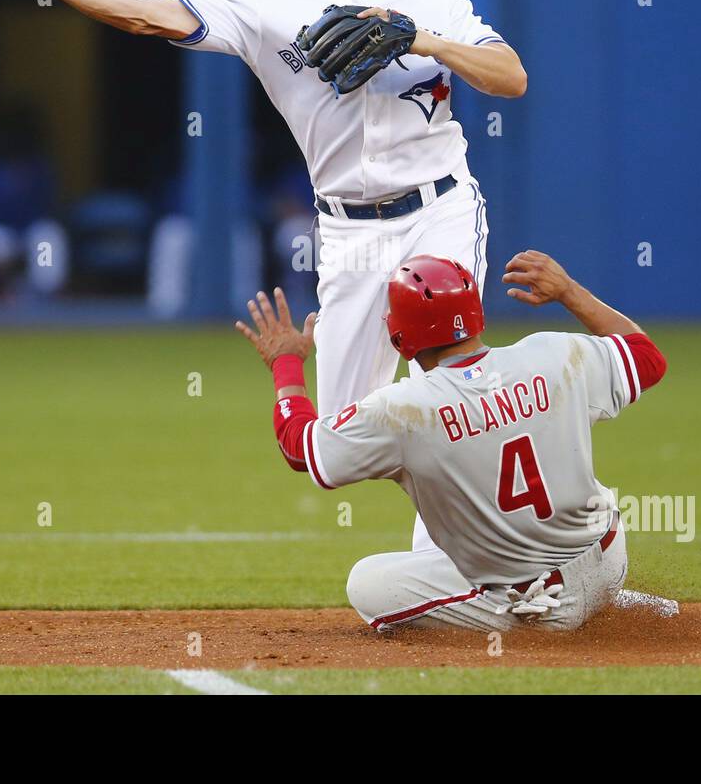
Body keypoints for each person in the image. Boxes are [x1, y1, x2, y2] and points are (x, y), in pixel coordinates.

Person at [0, 0, 527, 553]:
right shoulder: (268, 9)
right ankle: (470, 534)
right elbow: (142, 16)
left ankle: (479, 556)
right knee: (342, 445)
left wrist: (417, 36)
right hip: (350, 233)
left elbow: (511, 77)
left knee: (451, 387)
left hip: (440, 207)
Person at [234, 250, 667, 631]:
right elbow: (648, 358)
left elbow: (300, 448)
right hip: (609, 558)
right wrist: (569, 290)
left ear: (401, 335)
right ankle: (610, 599)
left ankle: (545, 612)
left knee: (366, 583)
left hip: (538, 600)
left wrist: (286, 361)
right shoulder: (553, 354)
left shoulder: (404, 409)